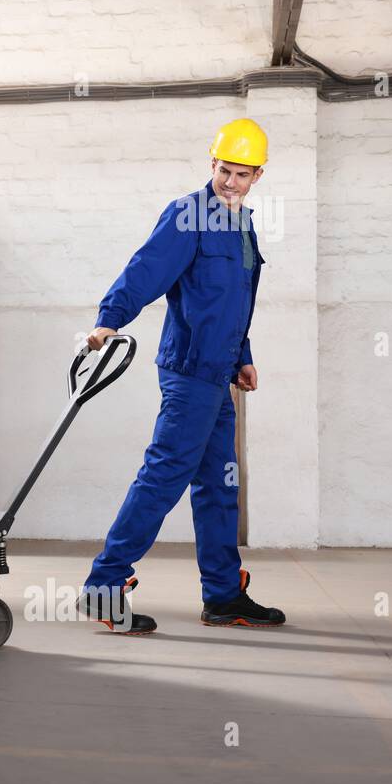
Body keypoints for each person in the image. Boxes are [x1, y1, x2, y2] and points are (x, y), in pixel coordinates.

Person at [80, 119, 287, 635]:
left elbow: (233, 300)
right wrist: (110, 318)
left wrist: (243, 354)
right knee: (163, 477)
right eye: (224, 170)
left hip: (219, 375)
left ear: (258, 175)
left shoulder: (243, 226)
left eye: (242, 174)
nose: (231, 182)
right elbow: (146, 268)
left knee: (219, 485)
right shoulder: (189, 215)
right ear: (210, 163)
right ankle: (103, 587)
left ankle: (222, 595)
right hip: (189, 371)